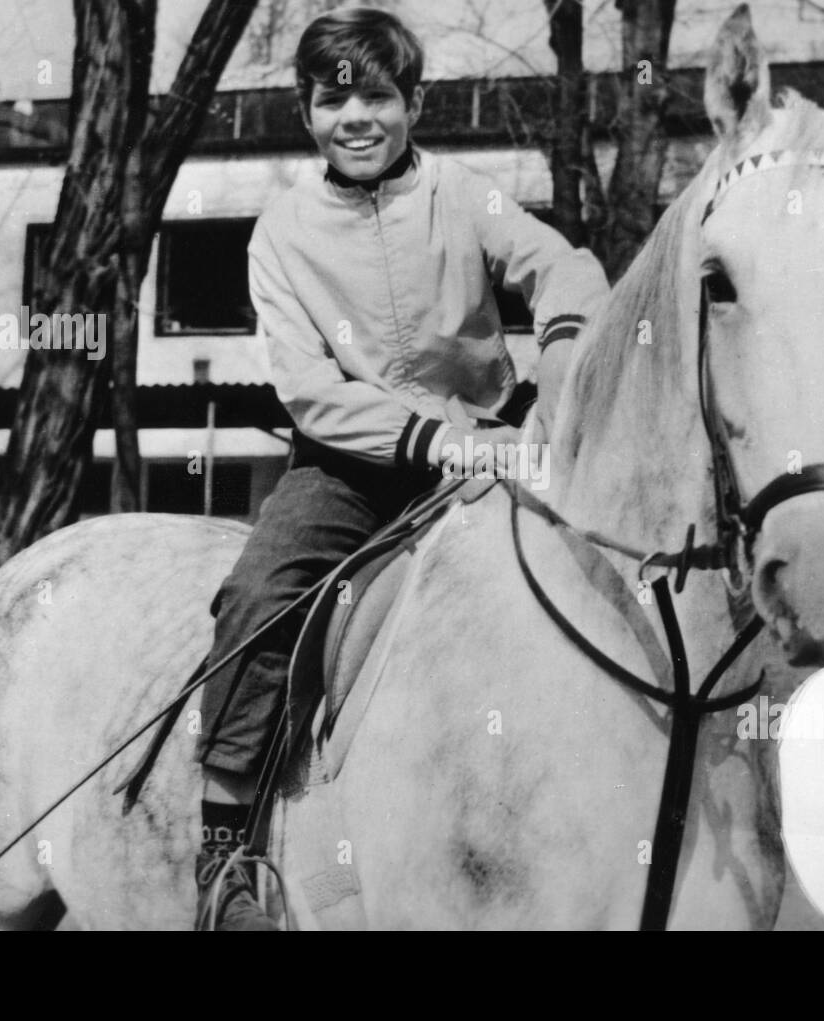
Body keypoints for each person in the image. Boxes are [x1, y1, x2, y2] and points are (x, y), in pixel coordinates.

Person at [193, 5, 609, 930]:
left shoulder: (465, 196)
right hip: (350, 466)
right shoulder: (280, 235)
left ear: (413, 102)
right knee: (259, 593)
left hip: (498, 443)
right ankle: (226, 851)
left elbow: (565, 269)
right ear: (306, 113)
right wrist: (425, 439)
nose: (358, 119)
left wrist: (561, 370)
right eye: (334, 101)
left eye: (378, 96)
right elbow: (305, 387)